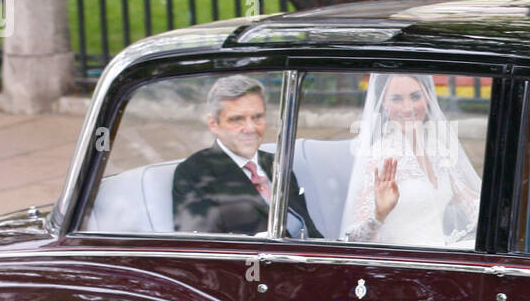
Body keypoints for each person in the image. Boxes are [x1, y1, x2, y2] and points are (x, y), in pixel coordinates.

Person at [340, 74, 482, 248]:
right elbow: (354, 242)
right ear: (384, 103)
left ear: (428, 96)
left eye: (415, 96)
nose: (407, 108)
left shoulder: (438, 149)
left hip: (441, 257)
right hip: (402, 264)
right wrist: (379, 215)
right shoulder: (379, 156)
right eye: (396, 99)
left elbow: (473, 204)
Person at [171, 75, 321, 237]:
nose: (250, 128)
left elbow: (308, 231)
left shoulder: (277, 164)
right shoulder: (194, 172)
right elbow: (201, 247)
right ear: (214, 124)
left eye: (257, 117)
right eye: (237, 119)